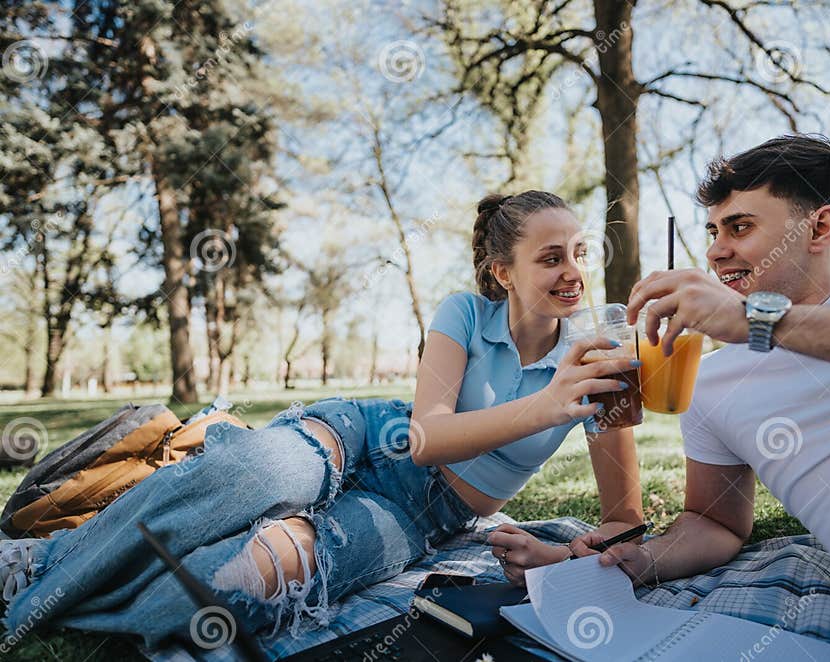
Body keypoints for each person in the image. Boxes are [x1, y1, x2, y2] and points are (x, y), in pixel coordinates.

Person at [0, 190, 645, 649]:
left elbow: (624, 523)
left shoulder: (599, 361)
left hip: (427, 513)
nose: (574, 273)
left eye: (581, 254)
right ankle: (35, 565)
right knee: (246, 474)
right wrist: (548, 403)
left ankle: (71, 586)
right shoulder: (464, 314)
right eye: (552, 256)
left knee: (218, 589)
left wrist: (558, 553)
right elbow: (426, 438)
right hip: (364, 435)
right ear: (502, 272)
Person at [565, 135, 830, 661]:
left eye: (740, 227)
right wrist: (644, 559)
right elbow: (716, 523)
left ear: (819, 227)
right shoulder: (709, 380)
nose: (718, 250)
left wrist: (763, 321)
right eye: (713, 231)